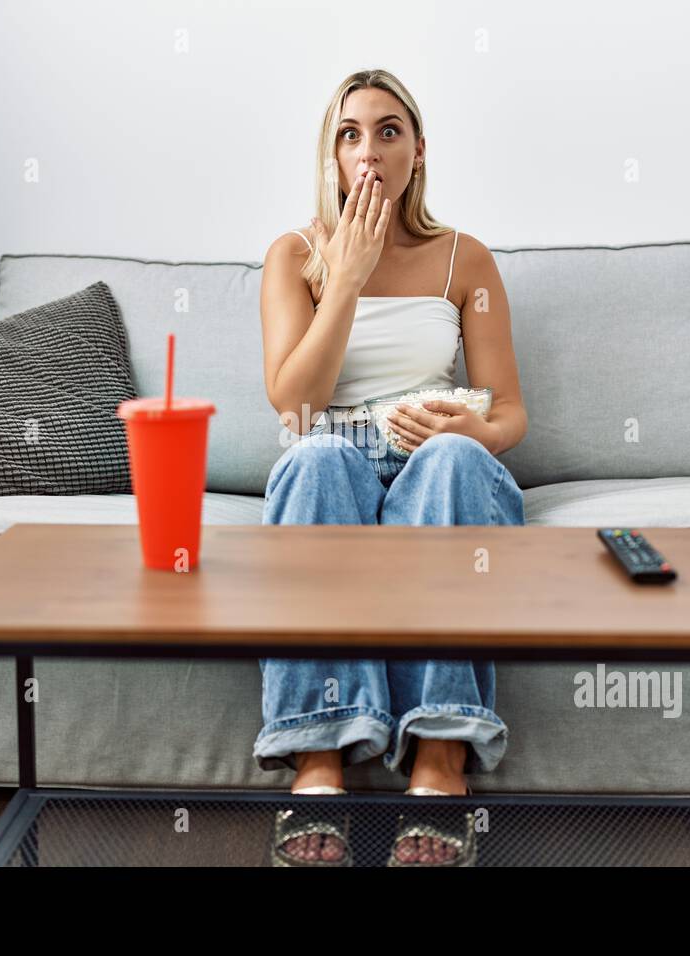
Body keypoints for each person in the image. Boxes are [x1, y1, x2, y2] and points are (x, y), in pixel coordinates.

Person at [256, 68, 528, 866]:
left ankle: (441, 761)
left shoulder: (464, 260)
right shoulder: (293, 255)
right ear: (331, 156)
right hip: (331, 457)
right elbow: (295, 408)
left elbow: (511, 411)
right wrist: (344, 274)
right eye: (349, 134)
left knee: (449, 458)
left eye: (387, 131)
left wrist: (473, 427)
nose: (368, 151)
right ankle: (317, 759)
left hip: (433, 465)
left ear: (418, 151)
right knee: (314, 459)